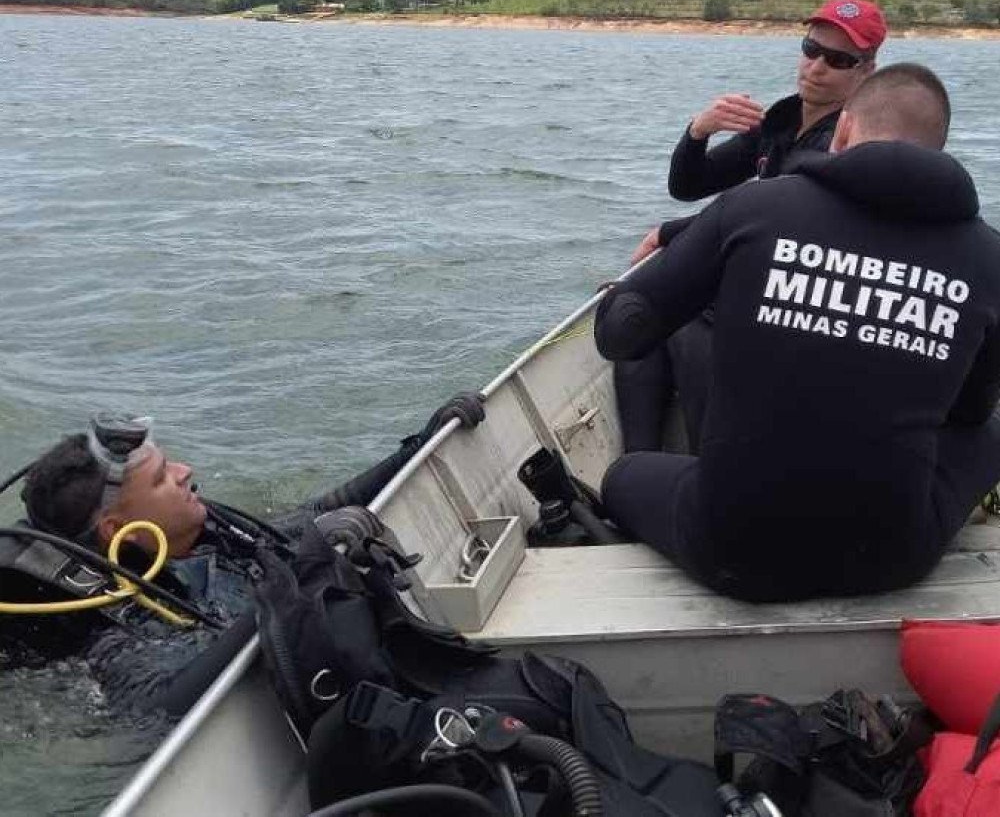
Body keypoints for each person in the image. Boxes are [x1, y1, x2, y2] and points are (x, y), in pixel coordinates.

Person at [594, 63, 1000, 603]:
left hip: (728, 549)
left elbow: (623, 334)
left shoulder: (754, 208)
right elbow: (969, 414)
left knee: (623, 475)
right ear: (939, 151)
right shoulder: (989, 259)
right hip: (890, 559)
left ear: (845, 130)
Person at [0, 396, 484, 714]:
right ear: (118, 529)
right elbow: (160, 703)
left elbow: (312, 512)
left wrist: (419, 445)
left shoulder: (209, 531)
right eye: (162, 478)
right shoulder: (116, 621)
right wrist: (282, 593)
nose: (186, 472)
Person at [620, 0, 888, 454]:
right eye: (811, 48)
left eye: (838, 59)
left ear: (866, 69)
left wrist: (669, 234)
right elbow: (690, 185)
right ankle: (633, 468)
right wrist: (698, 132)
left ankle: (711, 469)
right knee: (636, 322)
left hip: (798, 296)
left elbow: (774, 219)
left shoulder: (851, 140)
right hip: (753, 271)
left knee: (687, 324)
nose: (816, 67)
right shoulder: (780, 123)